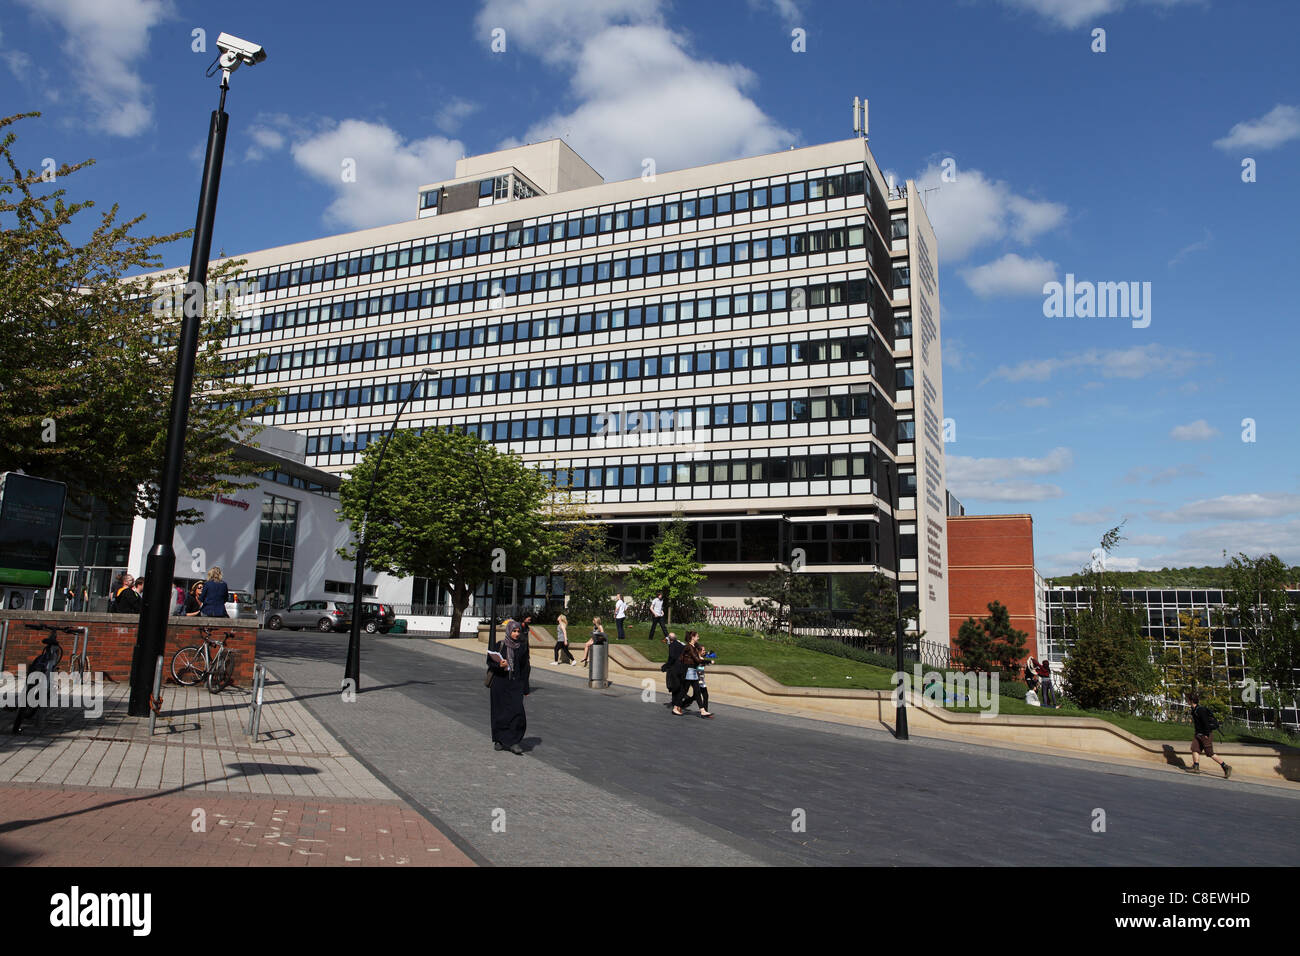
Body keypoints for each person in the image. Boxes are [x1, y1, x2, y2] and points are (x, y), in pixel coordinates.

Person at [487, 622, 527, 755]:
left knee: (517, 712)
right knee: (499, 712)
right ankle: (498, 739)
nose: (516, 634)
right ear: (509, 631)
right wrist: (499, 664)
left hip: (515, 684)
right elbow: (489, 662)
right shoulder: (500, 645)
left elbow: (525, 667)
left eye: (518, 631)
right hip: (499, 683)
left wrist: (525, 687)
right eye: (514, 631)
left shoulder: (522, 647)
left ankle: (514, 741)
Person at [1188, 693, 1231, 778]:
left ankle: (1225, 766)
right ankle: (1196, 766)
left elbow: (1206, 723)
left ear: (1191, 701)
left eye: (1188, 700)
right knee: (1194, 748)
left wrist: (1206, 733)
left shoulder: (1200, 710)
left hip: (1205, 735)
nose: (1187, 701)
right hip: (1198, 734)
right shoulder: (1194, 709)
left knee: (1210, 753)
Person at [673, 630, 714, 718]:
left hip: (692, 671)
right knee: (685, 690)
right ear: (693, 637)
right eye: (697, 636)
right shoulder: (689, 647)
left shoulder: (693, 647)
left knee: (694, 691)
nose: (698, 638)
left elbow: (698, 656)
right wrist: (709, 661)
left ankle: (702, 710)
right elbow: (697, 660)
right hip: (689, 671)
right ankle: (676, 707)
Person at [661, 631, 686, 705]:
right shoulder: (680, 644)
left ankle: (680, 699)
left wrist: (666, 666)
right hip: (682, 667)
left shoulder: (672, 645)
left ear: (669, 639)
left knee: (671, 684)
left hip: (674, 668)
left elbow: (672, 657)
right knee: (676, 684)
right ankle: (675, 701)